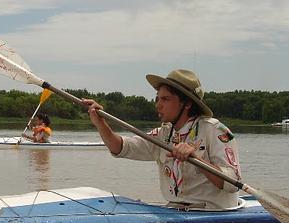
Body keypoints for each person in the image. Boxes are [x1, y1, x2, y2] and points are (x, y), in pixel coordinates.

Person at [81, 69, 242, 209]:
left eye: (165, 99)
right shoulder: (163, 134)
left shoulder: (215, 131)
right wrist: (100, 123)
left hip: (213, 214)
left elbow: (233, 182)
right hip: (174, 211)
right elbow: (120, 147)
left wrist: (196, 158)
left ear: (186, 104)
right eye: (157, 98)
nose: (158, 105)